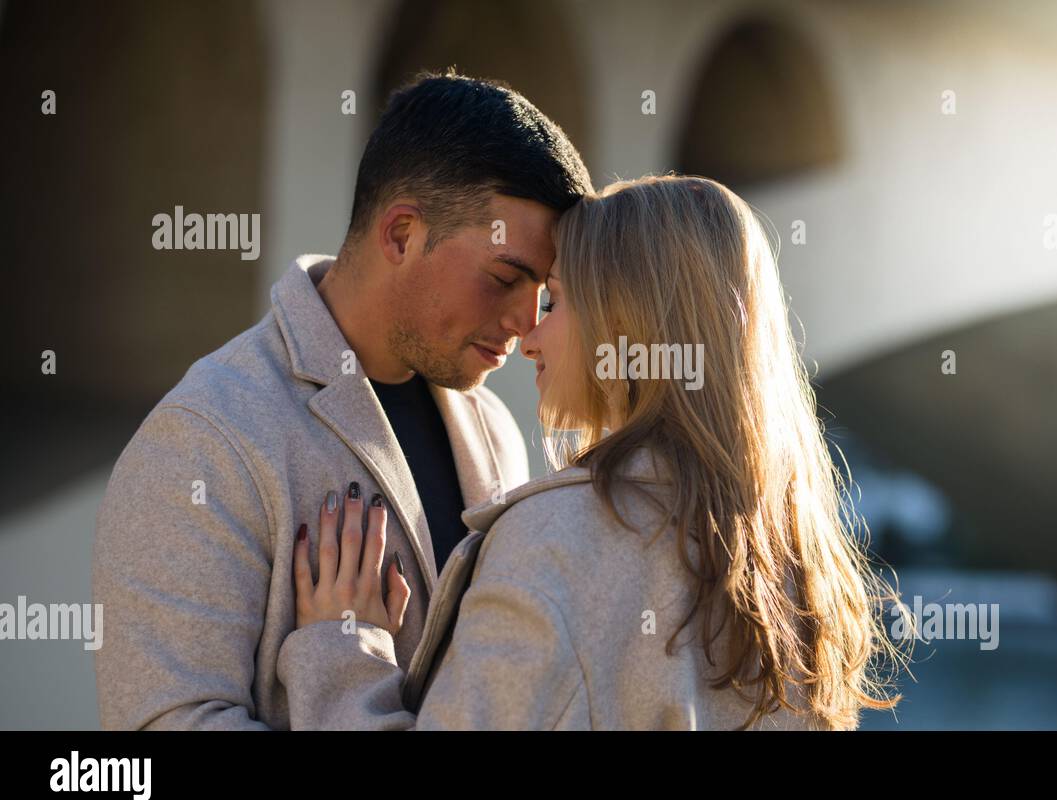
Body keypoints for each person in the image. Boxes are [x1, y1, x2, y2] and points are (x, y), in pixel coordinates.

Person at [272, 175, 907, 730]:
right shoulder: (788, 561)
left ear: (625, 322)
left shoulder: (557, 541)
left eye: (556, 300)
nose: (530, 335)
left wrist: (343, 651)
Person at [91, 71, 592, 730]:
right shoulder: (204, 439)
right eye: (506, 277)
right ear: (402, 234)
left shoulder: (493, 428)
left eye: (545, 293)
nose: (529, 321)